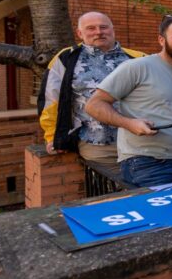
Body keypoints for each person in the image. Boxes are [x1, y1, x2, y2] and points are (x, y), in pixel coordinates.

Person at [85, 16, 172, 188]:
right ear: (161, 40)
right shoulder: (136, 67)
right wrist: (129, 123)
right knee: (159, 216)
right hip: (149, 165)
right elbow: (94, 104)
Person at [38, 12, 145, 168]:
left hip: (138, 140)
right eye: (91, 28)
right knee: (107, 189)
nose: (98, 32)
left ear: (112, 29)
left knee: (142, 188)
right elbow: (50, 100)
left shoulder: (138, 59)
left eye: (103, 27)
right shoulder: (66, 59)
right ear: (80, 33)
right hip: (96, 145)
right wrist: (52, 136)